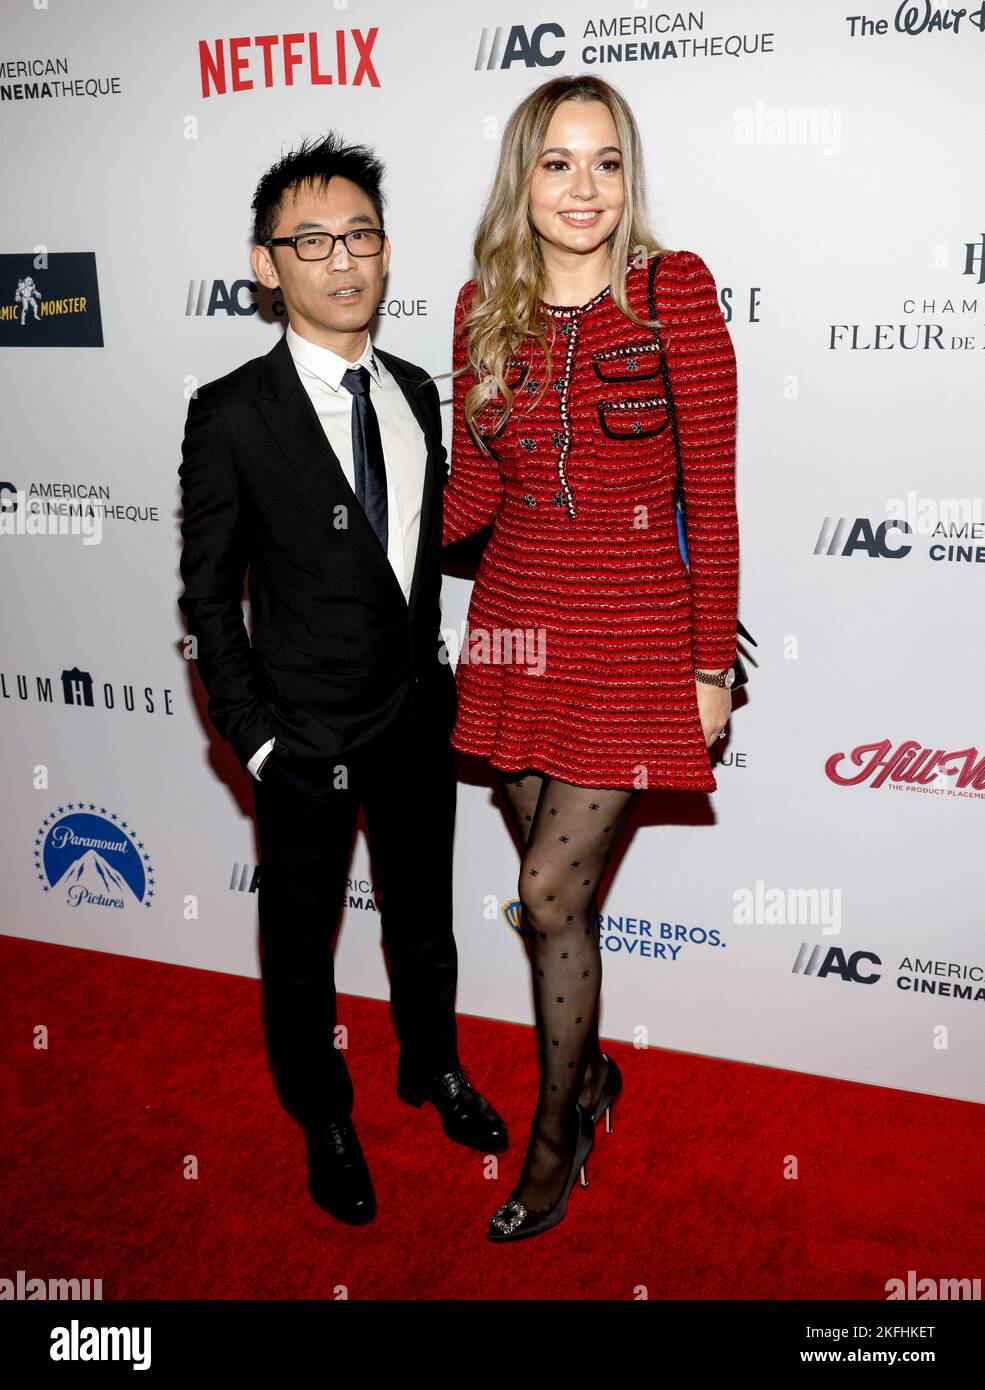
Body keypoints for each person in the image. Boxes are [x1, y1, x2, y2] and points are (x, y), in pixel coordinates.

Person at [178, 132, 507, 1227]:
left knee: (424, 919)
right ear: (266, 265)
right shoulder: (230, 413)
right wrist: (257, 736)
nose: (342, 258)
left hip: (416, 719)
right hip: (302, 737)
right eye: (310, 240)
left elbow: (433, 548)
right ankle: (322, 1111)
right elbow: (207, 594)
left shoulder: (416, 389)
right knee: (299, 944)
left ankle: (432, 1067)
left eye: (360, 233)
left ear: (387, 249)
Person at [443, 76, 740, 1242]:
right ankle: (592, 1072)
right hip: (515, 626)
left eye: (605, 162)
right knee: (561, 910)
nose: (583, 188)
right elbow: (473, 493)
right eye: (557, 162)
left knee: (543, 892)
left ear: (630, 177)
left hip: (631, 634)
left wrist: (708, 668)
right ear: (523, 176)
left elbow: (709, 501)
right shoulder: (482, 308)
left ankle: (555, 1141)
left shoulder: (675, 293)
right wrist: (356, 525)